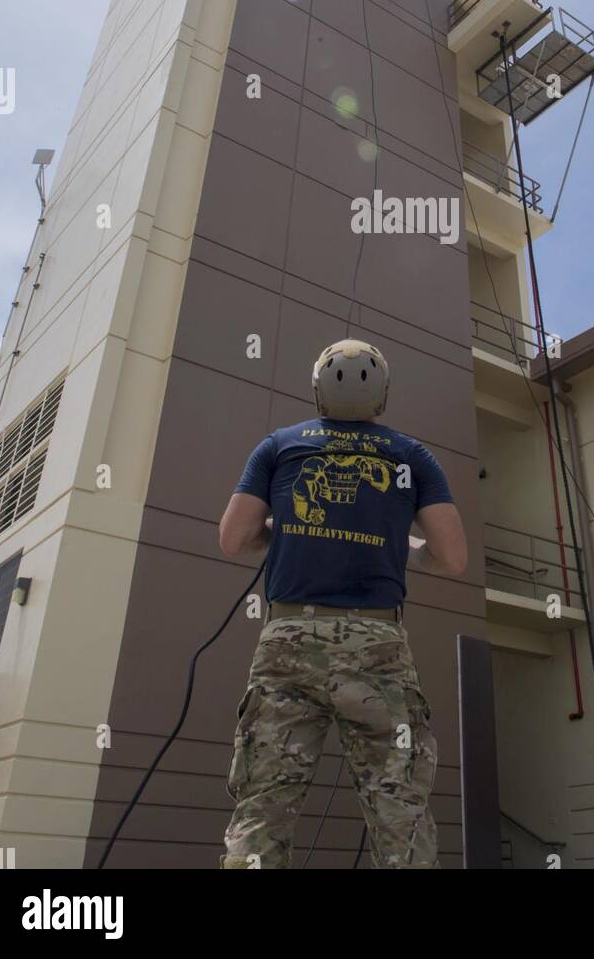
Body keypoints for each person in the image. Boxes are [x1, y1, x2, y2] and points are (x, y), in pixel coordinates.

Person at [218, 338, 468, 869]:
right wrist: (404, 547)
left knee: (263, 807)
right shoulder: (411, 455)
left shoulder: (279, 446)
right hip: (376, 646)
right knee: (400, 809)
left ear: (316, 389)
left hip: (287, 643)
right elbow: (452, 559)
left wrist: (287, 531)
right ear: (382, 395)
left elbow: (234, 539)